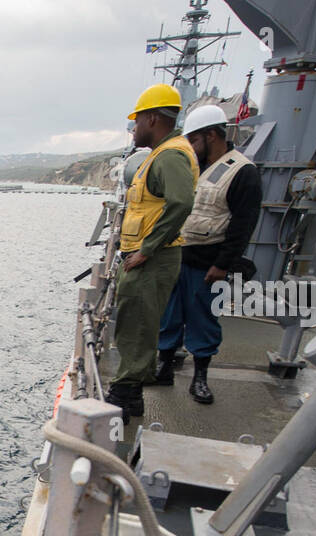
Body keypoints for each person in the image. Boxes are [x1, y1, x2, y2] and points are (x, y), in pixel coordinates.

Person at [153, 103, 263, 405]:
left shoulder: (242, 172)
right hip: (177, 256)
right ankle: (164, 366)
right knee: (170, 314)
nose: (190, 147)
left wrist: (222, 265)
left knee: (203, 319)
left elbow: (243, 224)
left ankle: (200, 377)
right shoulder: (194, 168)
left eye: (194, 140)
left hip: (208, 262)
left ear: (212, 135)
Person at [106, 83, 199, 424]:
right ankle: (130, 396)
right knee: (136, 322)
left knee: (138, 326)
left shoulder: (171, 155)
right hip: (150, 257)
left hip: (153, 259)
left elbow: (181, 203)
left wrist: (146, 250)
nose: (134, 128)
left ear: (153, 118)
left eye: (138, 121)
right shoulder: (163, 153)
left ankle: (123, 395)